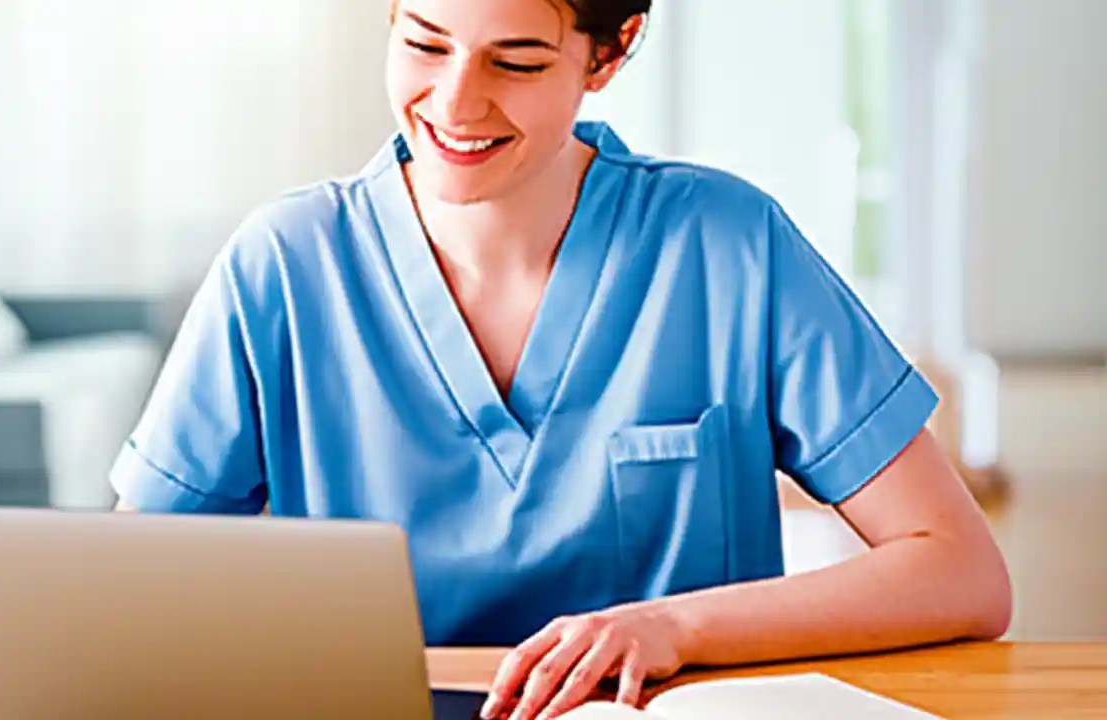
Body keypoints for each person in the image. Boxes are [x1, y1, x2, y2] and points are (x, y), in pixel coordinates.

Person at [110, 0, 1013, 717]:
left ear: (609, 53)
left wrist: (670, 626)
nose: (458, 103)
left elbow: (959, 570)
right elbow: (125, 592)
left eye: (516, 61)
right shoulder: (285, 264)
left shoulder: (727, 244)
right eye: (426, 44)